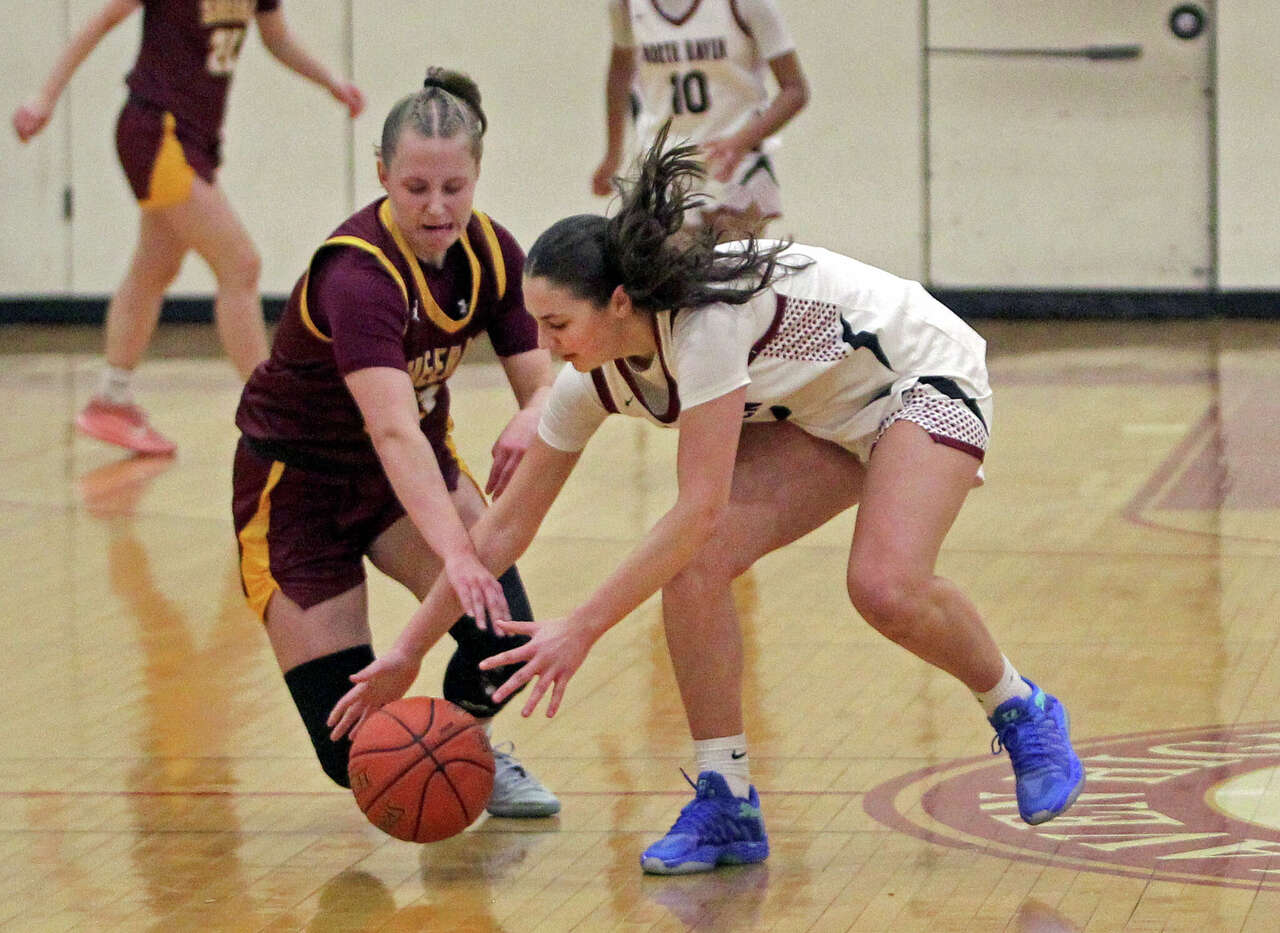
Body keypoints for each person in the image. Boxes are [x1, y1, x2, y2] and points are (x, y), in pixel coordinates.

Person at [328, 126, 1084, 871]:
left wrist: (581, 626)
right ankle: (727, 799)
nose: (547, 346)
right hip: (817, 410)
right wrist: (405, 651)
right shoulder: (588, 376)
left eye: (558, 325)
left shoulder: (704, 327)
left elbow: (700, 507)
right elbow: (501, 532)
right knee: (694, 567)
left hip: (918, 373)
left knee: (883, 585)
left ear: (618, 303)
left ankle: (1021, 707)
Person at [231, 68, 559, 818]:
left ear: (477, 175)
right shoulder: (359, 274)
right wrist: (457, 554)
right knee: (351, 749)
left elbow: (542, 380)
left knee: (500, 638)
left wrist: (538, 405)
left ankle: (464, 752)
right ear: (382, 175)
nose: (437, 207)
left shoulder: (491, 253)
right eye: (416, 188)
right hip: (299, 490)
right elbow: (390, 428)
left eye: (454, 186)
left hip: (406, 478)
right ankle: (430, 758)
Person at [11, 0, 364, 456]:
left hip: (193, 138)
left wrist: (331, 82)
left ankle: (110, 401)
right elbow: (101, 21)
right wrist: (44, 97)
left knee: (154, 267)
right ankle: (274, 412)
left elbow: (276, 37)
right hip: (156, 131)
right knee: (240, 264)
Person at [591, 0, 809, 241]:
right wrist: (613, 154)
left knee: (737, 268)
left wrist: (739, 142)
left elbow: (795, 90)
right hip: (667, 158)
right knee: (670, 270)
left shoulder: (747, 4)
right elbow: (620, 71)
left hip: (736, 159)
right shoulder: (625, 5)